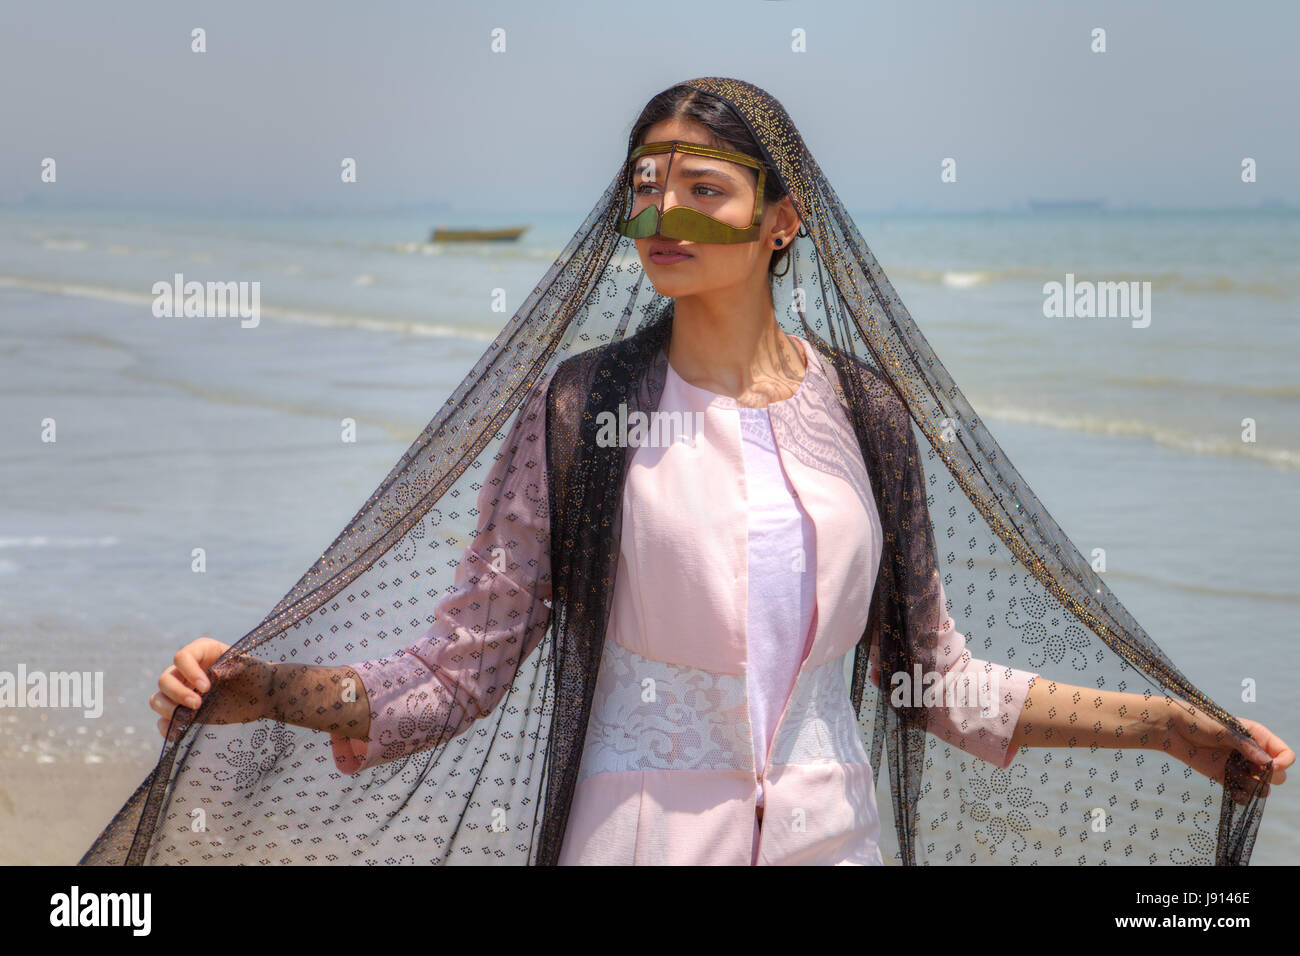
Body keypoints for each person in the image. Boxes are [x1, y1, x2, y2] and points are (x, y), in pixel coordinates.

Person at [114, 78, 1290, 867]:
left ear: (781, 221)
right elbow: (457, 670)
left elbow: (930, 680)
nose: (664, 212)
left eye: (704, 189)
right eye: (645, 187)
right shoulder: (582, 410)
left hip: (838, 841)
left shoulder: (867, 413)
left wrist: (1161, 726)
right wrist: (272, 687)